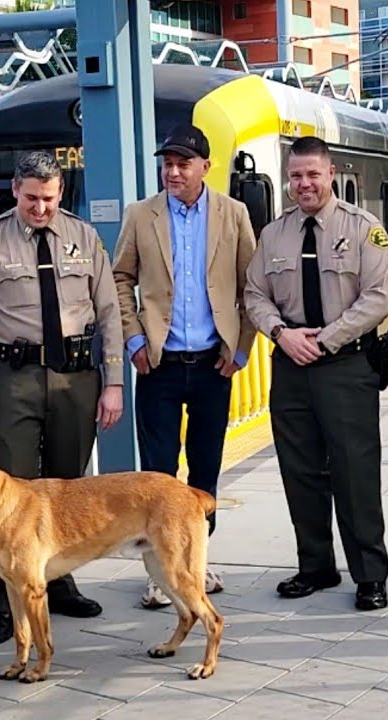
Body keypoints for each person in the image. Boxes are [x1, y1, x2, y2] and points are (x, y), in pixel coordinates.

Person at [0, 151, 125, 646]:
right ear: (14, 191)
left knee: (69, 487)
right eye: (31, 198)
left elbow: (109, 314)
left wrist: (112, 383)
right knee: (10, 492)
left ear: (61, 193)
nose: (40, 208)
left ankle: (59, 583)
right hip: (17, 378)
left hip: (75, 377)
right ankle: (4, 601)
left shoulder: (84, 238)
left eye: (49, 199)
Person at [243, 136, 388, 612]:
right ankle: (315, 566)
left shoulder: (366, 229)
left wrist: (325, 338)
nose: (304, 184)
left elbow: (378, 297)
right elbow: (253, 294)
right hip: (291, 366)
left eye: (313, 174)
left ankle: (370, 575)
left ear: (331, 174)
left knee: (355, 472)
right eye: (295, 176)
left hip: (346, 366)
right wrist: (281, 334)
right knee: (300, 471)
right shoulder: (274, 234)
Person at [110, 124, 257, 609]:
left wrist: (239, 350)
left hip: (214, 363)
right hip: (159, 364)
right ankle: (157, 572)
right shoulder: (141, 215)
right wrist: (134, 338)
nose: (172, 172)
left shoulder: (233, 215)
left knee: (205, 473)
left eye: (182, 163)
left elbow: (249, 288)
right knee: (156, 475)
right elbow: (119, 278)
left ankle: (195, 562)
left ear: (204, 167)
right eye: (166, 164)